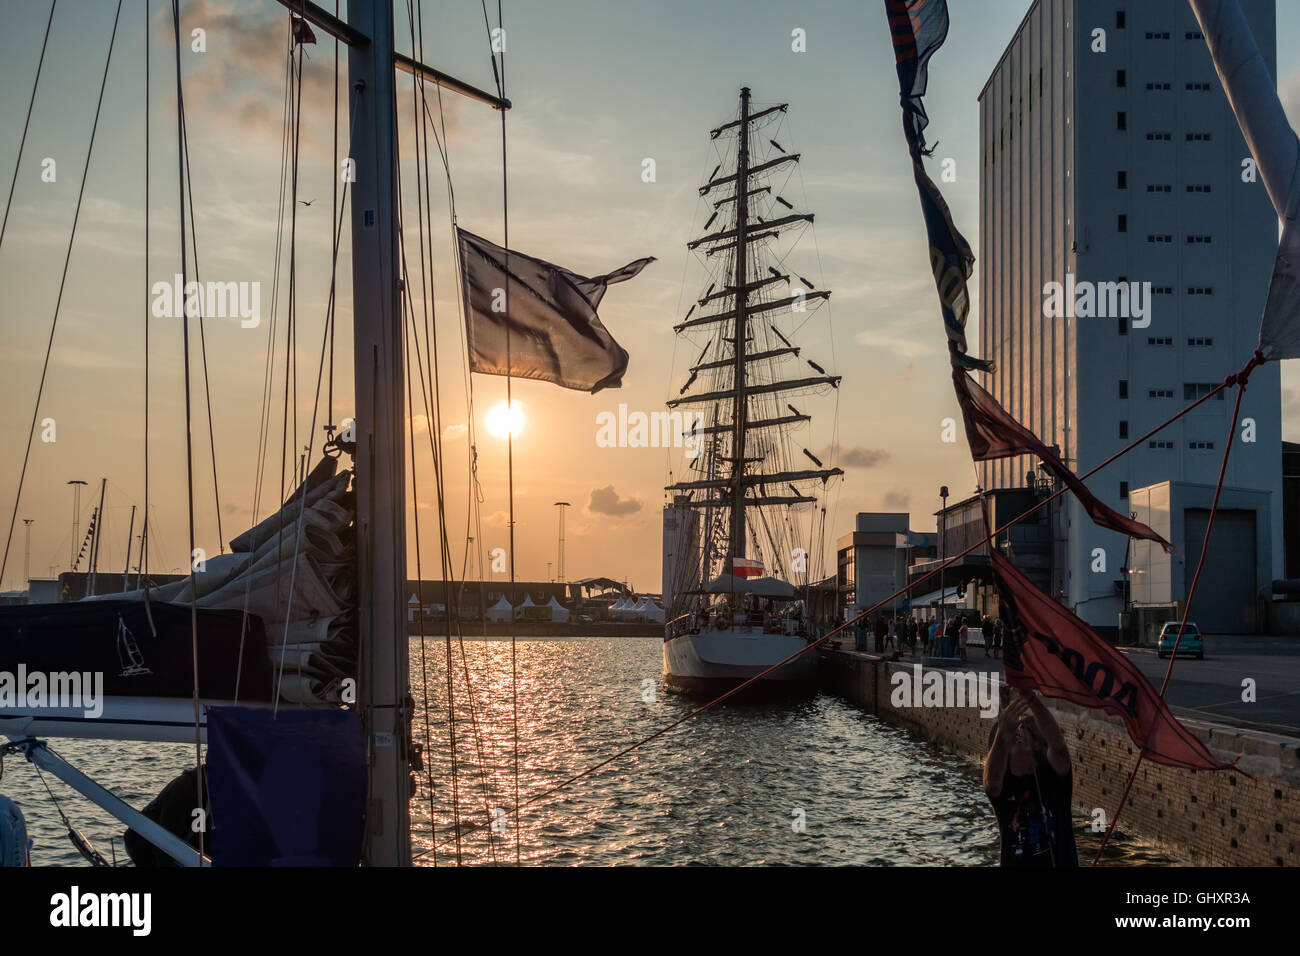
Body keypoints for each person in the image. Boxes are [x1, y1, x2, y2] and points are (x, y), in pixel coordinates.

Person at [984, 688, 1078, 867]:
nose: (1015, 733)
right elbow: (991, 782)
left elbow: (1057, 745)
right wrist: (1002, 735)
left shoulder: (1053, 776)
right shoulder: (1004, 787)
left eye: (1022, 729)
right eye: (1011, 734)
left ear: (1036, 744)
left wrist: (1032, 700)